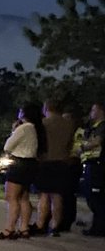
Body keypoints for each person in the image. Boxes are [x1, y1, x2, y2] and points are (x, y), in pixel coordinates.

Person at [0, 103, 46, 240]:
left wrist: (13, 131)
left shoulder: (23, 128)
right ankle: (24, 228)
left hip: (19, 164)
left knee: (12, 197)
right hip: (31, 164)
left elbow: (7, 146)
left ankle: (9, 229)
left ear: (24, 114)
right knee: (24, 197)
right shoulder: (36, 128)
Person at [35, 100, 76, 236]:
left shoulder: (43, 124)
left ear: (46, 108)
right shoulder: (69, 124)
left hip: (47, 161)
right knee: (57, 196)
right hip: (62, 162)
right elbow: (70, 144)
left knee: (44, 195)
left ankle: (40, 224)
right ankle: (55, 225)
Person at [80, 102, 104, 236]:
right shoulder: (92, 127)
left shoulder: (102, 126)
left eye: (93, 109)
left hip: (98, 165)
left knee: (96, 198)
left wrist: (82, 148)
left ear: (101, 111)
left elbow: (97, 142)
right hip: (92, 164)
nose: (91, 112)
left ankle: (99, 228)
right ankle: (97, 226)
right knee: (92, 197)